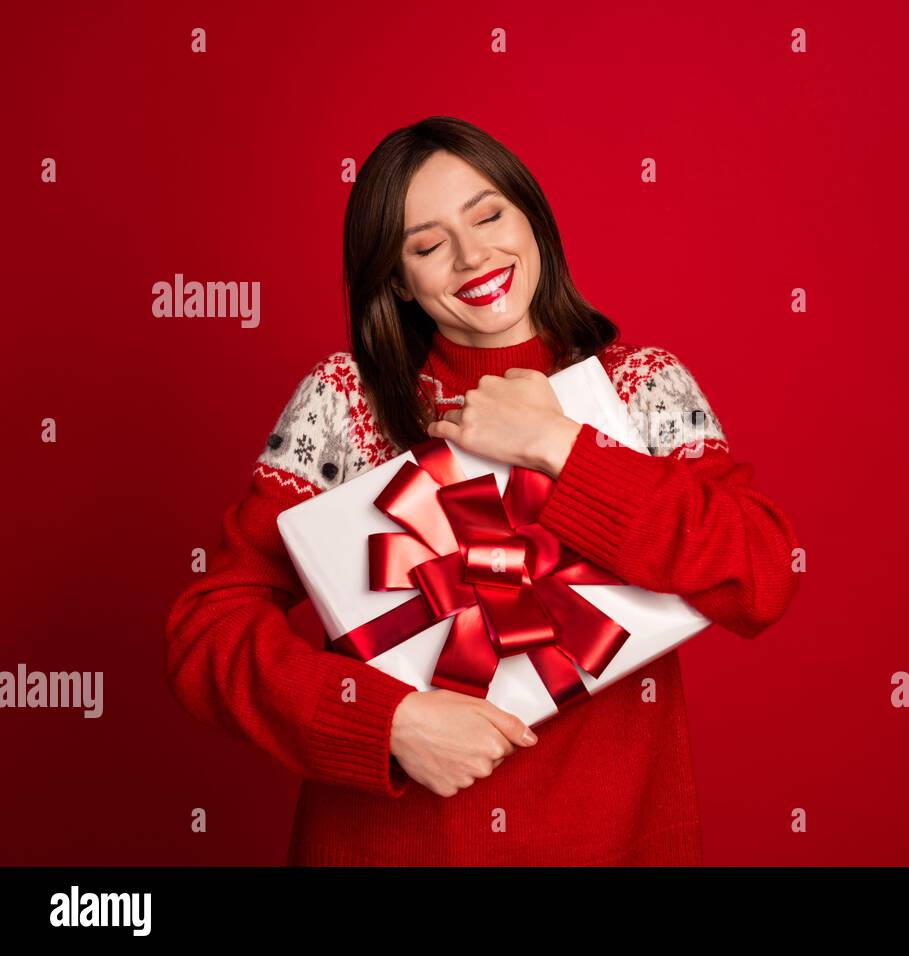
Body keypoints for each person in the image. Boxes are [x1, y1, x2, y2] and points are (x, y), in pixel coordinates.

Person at [164, 116, 802, 866]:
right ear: (397, 279)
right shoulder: (343, 402)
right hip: (392, 846)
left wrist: (560, 445)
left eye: (489, 214)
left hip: (616, 838)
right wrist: (384, 722)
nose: (473, 256)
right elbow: (208, 628)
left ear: (532, 215)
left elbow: (761, 574)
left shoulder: (639, 388)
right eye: (427, 245)